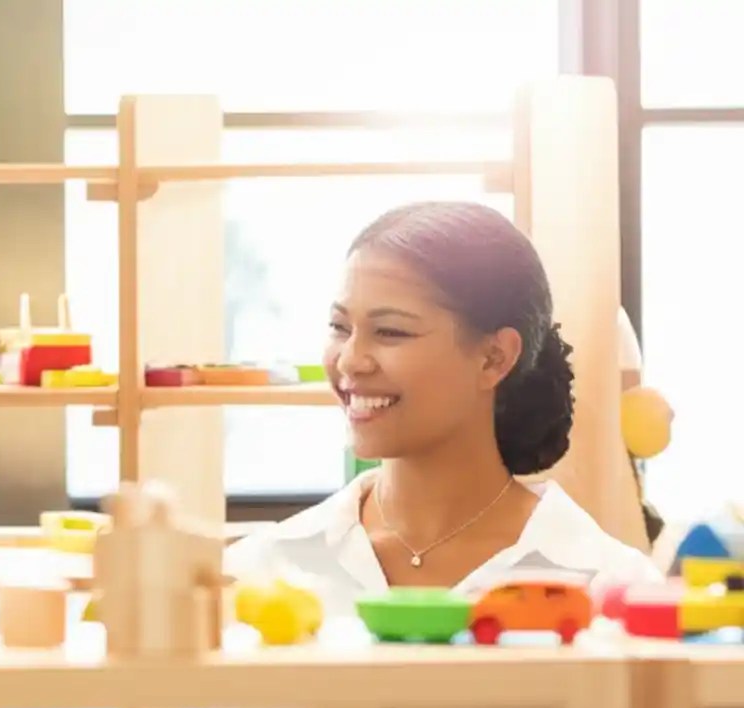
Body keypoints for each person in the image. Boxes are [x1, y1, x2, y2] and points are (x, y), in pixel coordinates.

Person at [227, 201, 662, 618]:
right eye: (340, 328)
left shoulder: (607, 585)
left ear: (494, 358)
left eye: (390, 331)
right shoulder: (264, 570)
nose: (349, 360)